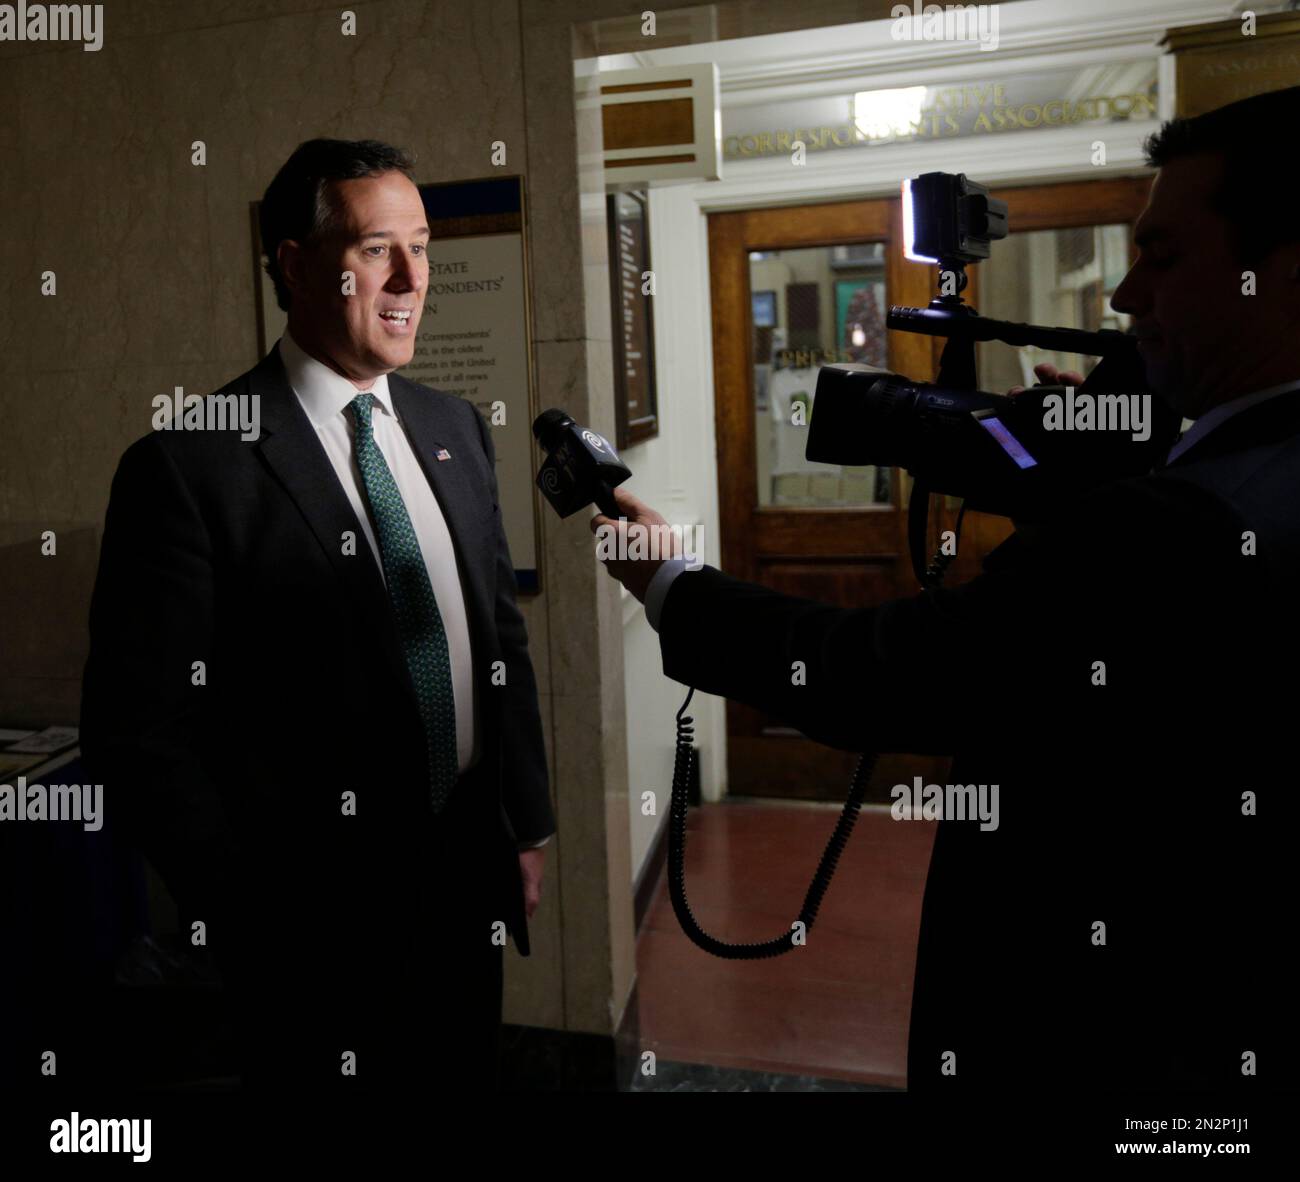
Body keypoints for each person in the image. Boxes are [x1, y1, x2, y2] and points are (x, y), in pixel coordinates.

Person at [594, 87, 1300, 1092]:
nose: (1123, 297)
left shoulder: (1173, 523)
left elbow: (868, 676)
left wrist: (666, 580)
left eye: (1165, 256)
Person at [79, 138, 554, 1093]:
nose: (414, 277)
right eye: (379, 248)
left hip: (465, 878)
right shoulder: (190, 466)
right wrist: (251, 908)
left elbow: (497, 637)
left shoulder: (455, 427)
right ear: (295, 264)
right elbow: (137, 734)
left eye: (423, 246)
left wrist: (526, 823)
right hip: (307, 930)